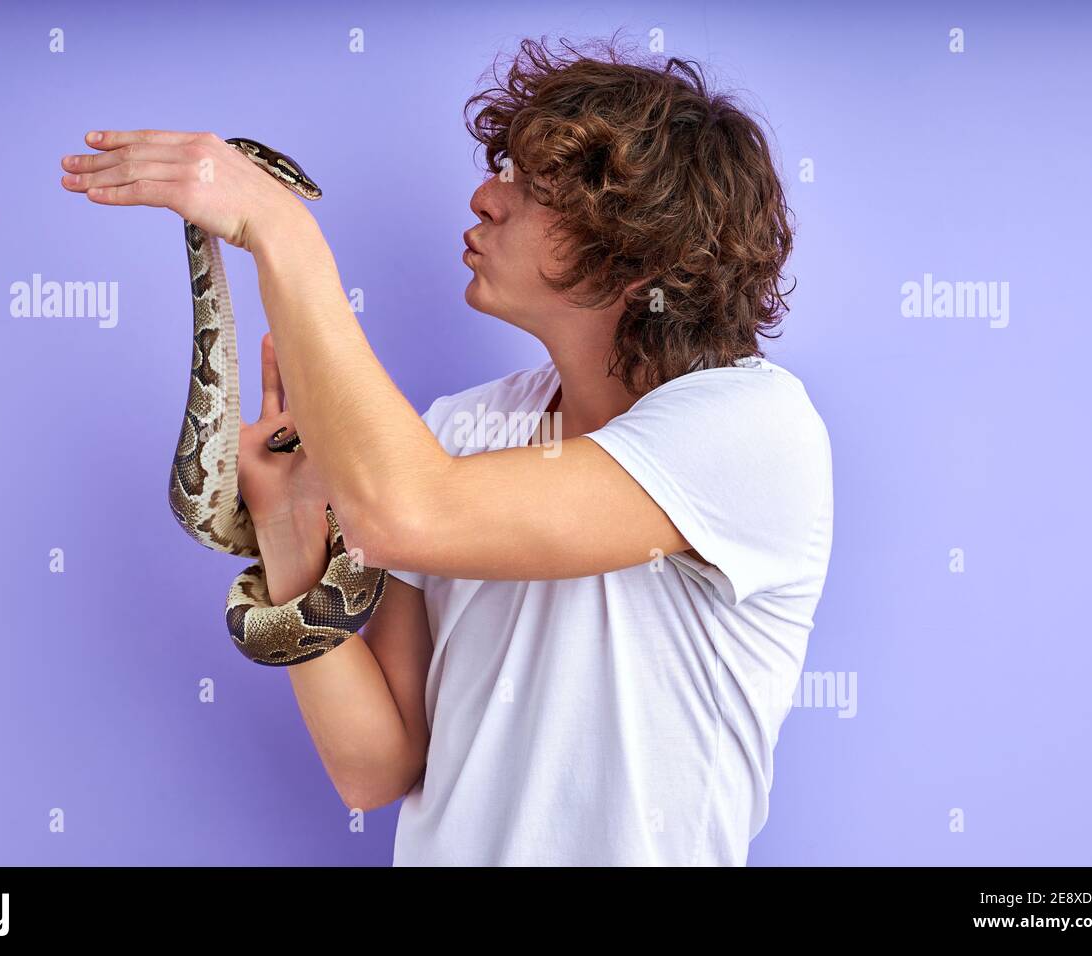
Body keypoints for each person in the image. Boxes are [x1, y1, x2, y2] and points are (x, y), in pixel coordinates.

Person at [60, 36, 833, 866]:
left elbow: (407, 510)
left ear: (638, 258)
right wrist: (287, 521)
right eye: (505, 170)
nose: (486, 197)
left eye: (537, 190)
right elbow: (377, 766)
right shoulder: (459, 431)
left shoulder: (753, 428)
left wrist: (280, 228)